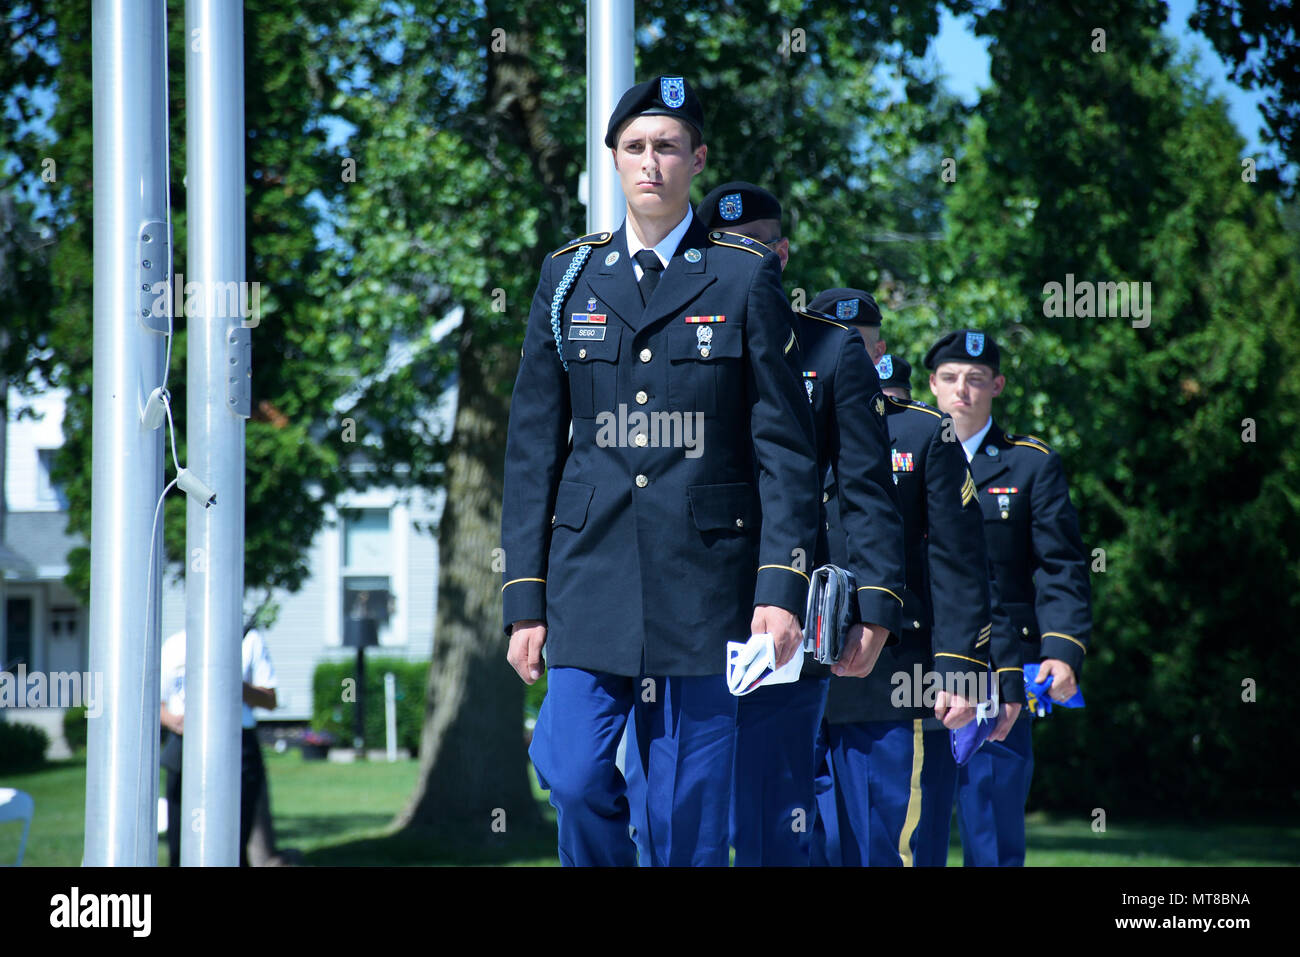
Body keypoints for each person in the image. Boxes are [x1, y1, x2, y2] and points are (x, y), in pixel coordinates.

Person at [500, 78, 820, 867]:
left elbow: (784, 449)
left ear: (697, 160)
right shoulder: (568, 277)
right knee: (572, 775)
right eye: (636, 147)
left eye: (668, 147)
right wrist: (523, 597)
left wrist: (780, 591)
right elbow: (533, 444)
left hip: (705, 586)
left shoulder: (744, 277)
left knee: (687, 816)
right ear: (612, 159)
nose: (651, 163)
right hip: (588, 581)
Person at [688, 184, 904, 866]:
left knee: (776, 806)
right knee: (678, 802)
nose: (740, 258)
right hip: (683, 602)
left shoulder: (831, 350)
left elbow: (867, 493)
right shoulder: (678, 336)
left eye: (754, 243)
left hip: (785, 603)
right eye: (724, 245)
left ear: (780, 253)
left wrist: (874, 605)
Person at [806, 292, 990, 867]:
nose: (841, 359)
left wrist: (961, 669)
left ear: (879, 352)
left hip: (888, 676)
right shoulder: (777, 426)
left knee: (882, 844)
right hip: (791, 672)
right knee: (804, 842)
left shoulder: (921, 435)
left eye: (855, 346)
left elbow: (958, 561)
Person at [920, 329, 1092, 866]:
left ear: (997, 384)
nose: (961, 391)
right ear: (931, 384)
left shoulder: (1030, 465)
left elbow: (1059, 565)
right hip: (920, 664)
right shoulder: (908, 453)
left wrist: (1063, 650)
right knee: (914, 828)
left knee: (991, 828)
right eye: (949, 378)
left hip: (1001, 666)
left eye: (975, 379)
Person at [159, 624, 278, 867]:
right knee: (181, 840)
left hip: (237, 745)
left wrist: (230, 680)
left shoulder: (247, 639)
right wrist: (173, 720)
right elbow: (156, 700)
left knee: (232, 839)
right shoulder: (175, 644)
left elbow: (270, 700)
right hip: (185, 745)